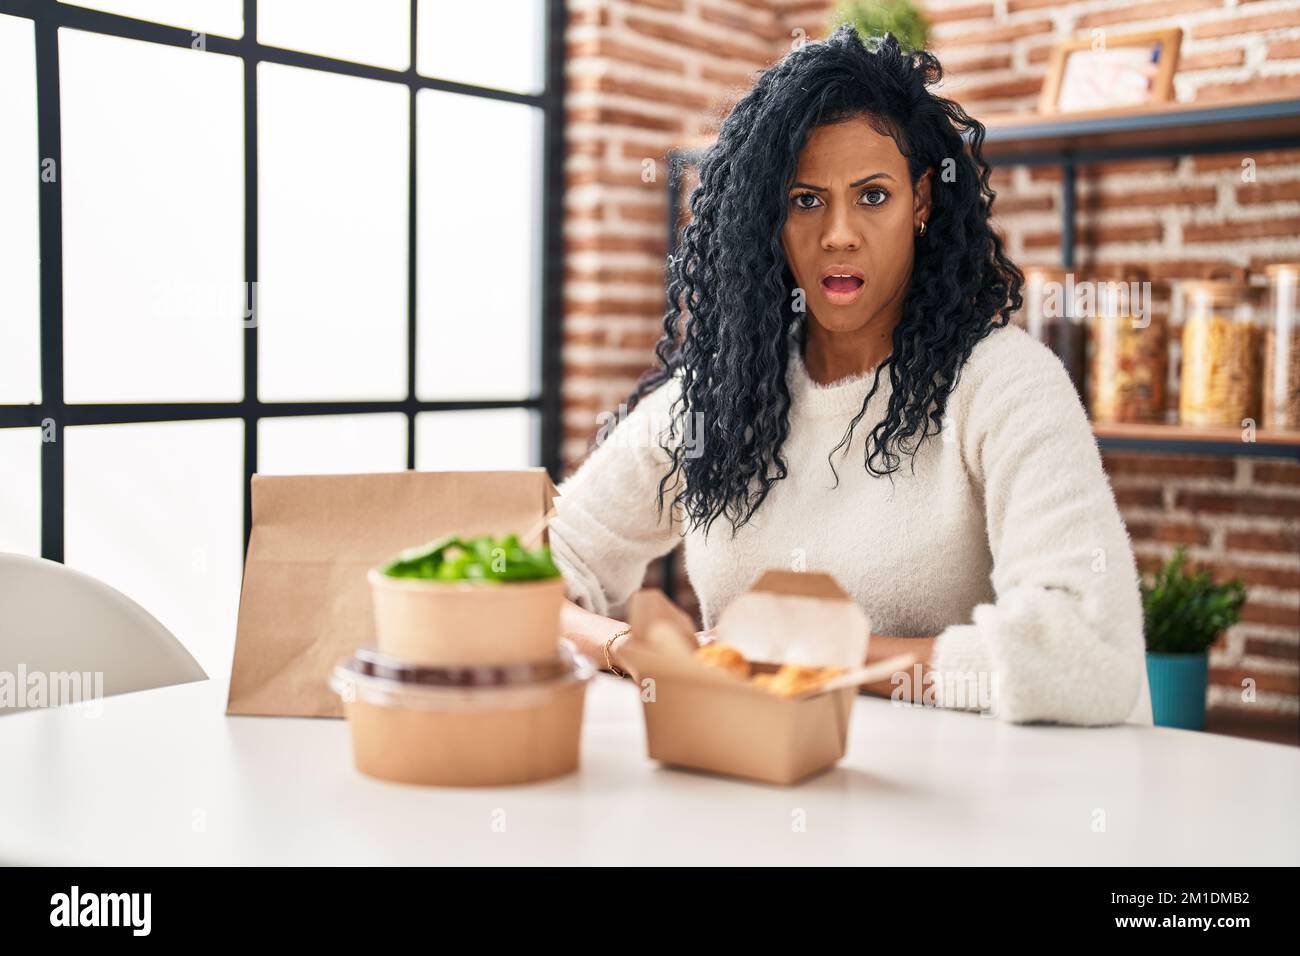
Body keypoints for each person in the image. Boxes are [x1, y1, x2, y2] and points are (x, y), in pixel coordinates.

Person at [549, 25, 1149, 726]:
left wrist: (826, 661)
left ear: (921, 201)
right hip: (773, 783)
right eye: (806, 200)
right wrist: (625, 647)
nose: (838, 233)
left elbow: (1091, 653)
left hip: (978, 808)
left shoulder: (1006, 384)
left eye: (872, 196)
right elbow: (535, 573)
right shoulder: (719, 393)